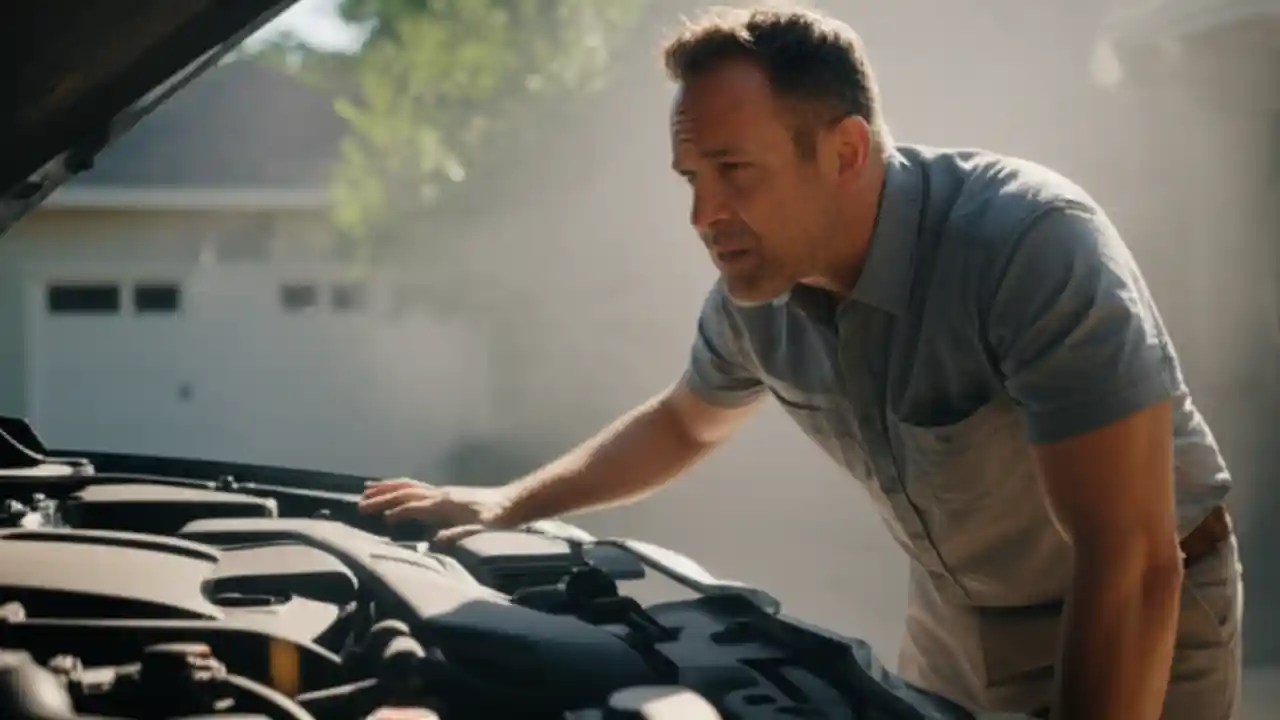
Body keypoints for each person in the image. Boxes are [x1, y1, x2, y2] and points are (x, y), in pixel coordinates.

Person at [359, 6, 1242, 719]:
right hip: (956, 617)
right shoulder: (757, 299)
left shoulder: (1028, 245)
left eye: (734, 170)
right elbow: (682, 422)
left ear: (847, 152)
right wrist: (512, 502)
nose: (704, 214)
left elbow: (1129, 553)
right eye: (690, 179)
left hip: (1141, 600)